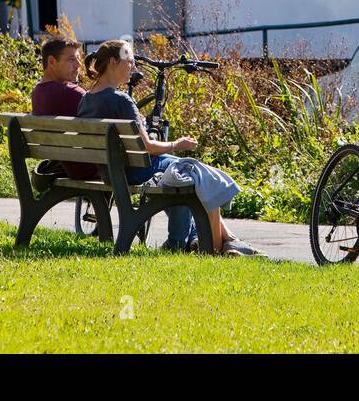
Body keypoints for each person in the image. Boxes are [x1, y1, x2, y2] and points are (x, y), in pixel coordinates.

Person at [76, 39, 263, 257]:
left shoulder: (86, 99)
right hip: (136, 171)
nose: (133, 68)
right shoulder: (121, 101)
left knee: (184, 171)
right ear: (113, 62)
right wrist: (177, 144)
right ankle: (209, 244)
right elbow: (147, 146)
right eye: (129, 63)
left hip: (110, 173)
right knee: (191, 171)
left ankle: (213, 240)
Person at [31, 37, 95, 180]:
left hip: (64, 165)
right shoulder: (72, 93)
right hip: (91, 167)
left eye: (78, 59)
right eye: (71, 59)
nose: (78, 65)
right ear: (52, 62)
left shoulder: (37, 93)